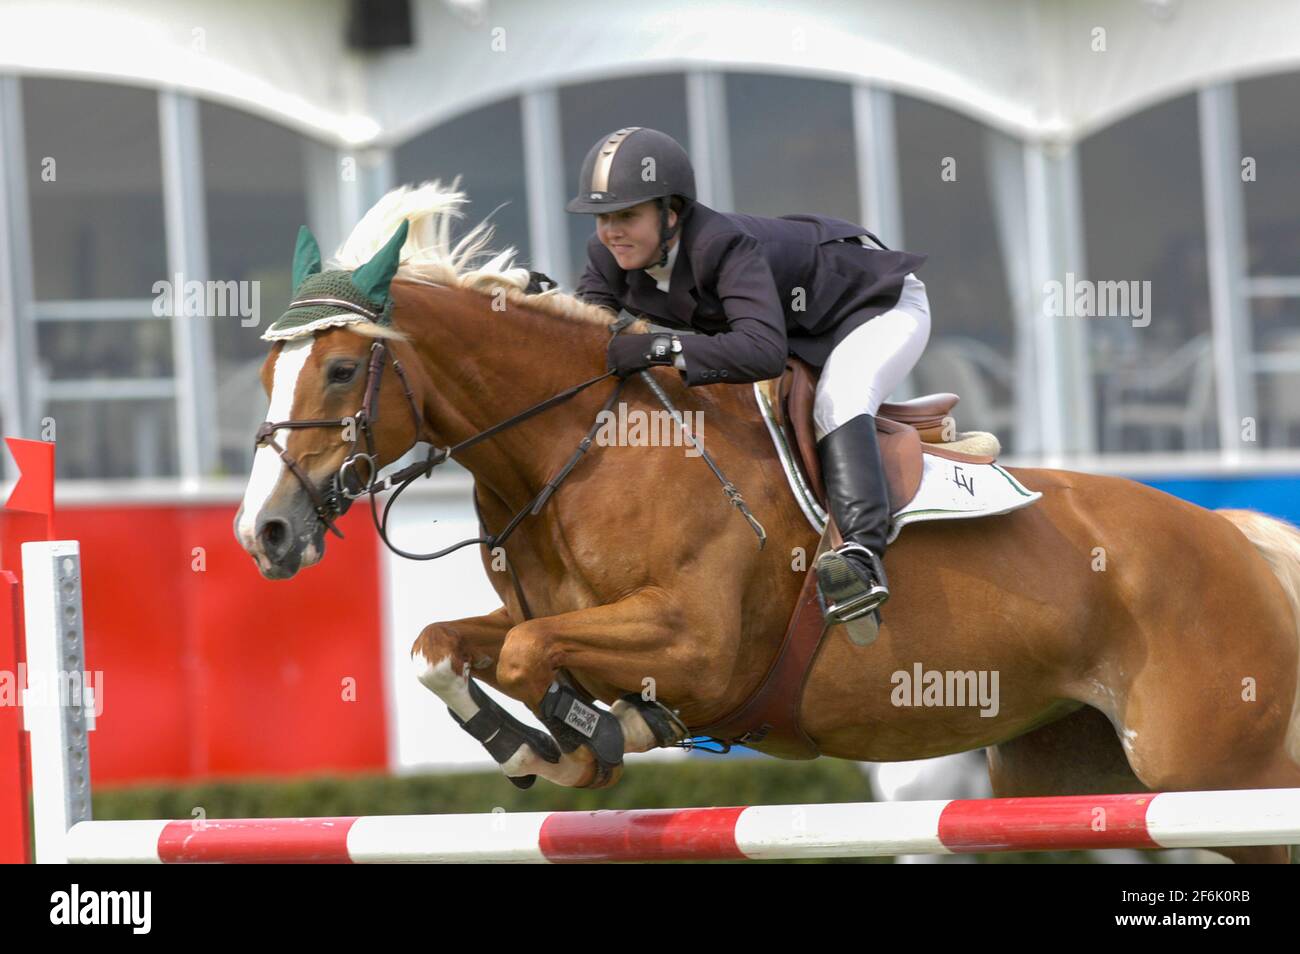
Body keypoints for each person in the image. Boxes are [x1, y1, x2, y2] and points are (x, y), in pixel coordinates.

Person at [568, 126, 931, 624]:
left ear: (671, 214)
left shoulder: (722, 246)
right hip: (802, 325)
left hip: (878, 307)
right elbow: (590, 338)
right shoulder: (607, 256)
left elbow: (761, 352)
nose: (611, 231)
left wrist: (658, 345)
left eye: (627, 215)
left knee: (838, 398)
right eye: (602, 218)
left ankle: (861, 557)